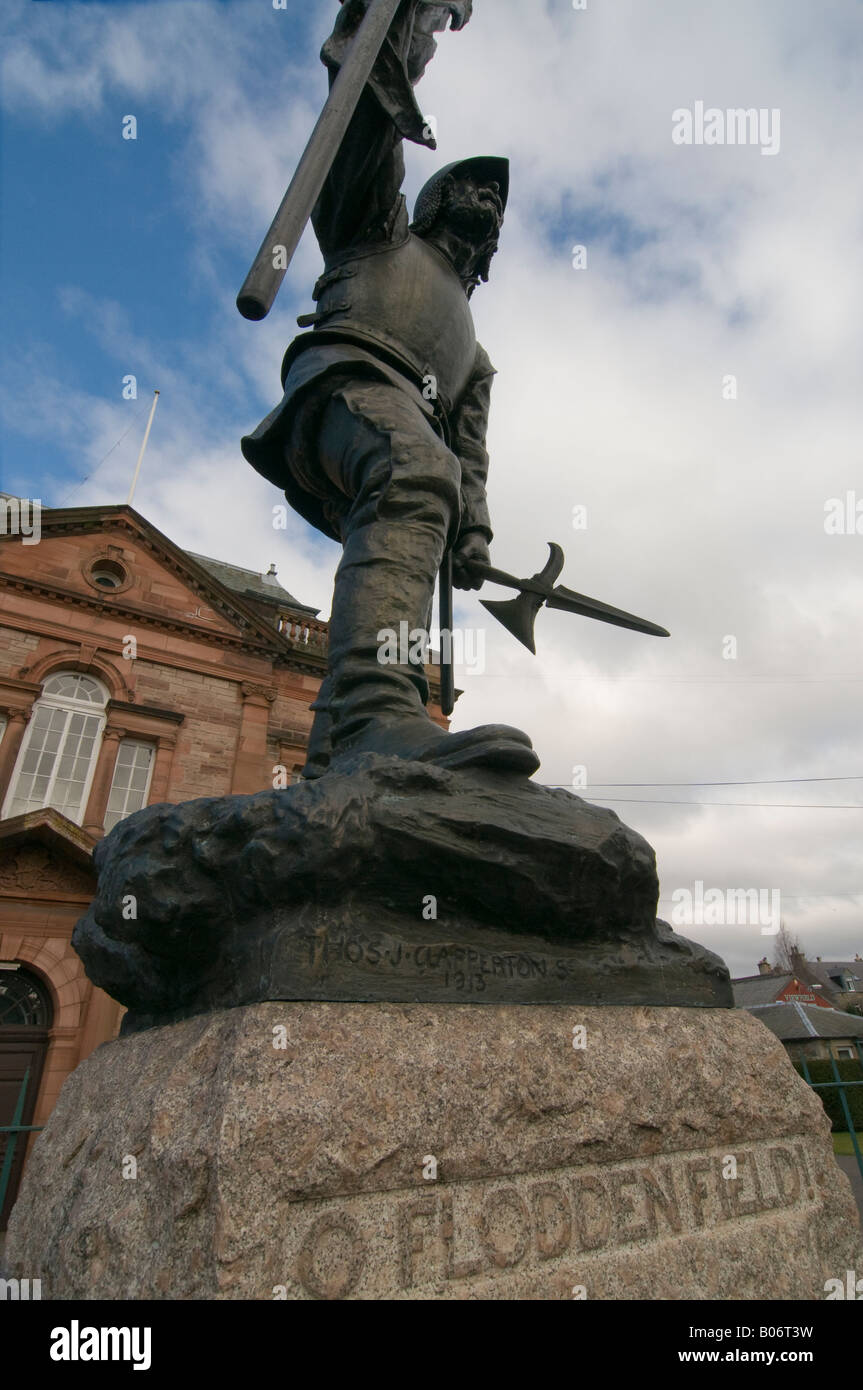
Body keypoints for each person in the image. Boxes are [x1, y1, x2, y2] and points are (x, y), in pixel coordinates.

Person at [242, 0, 539, 778]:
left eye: (497, 203)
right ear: (436, 199)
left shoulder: (475, 352)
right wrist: (402, 28)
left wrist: (471, 531)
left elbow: (468, 449)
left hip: (403, 425)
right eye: (472, 189)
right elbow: (367, 119)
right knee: (415, 470)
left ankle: (334, 750)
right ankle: (377, 709)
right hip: (342, 386)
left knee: (421, 491)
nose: (488, 202)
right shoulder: (377, 229)